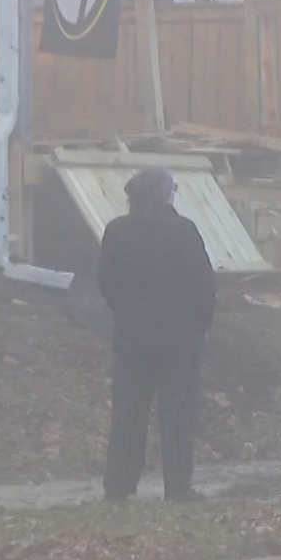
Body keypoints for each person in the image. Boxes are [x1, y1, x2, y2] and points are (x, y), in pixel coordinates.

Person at [97, 167, 217, 502]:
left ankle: (118, 487)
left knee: (128, 417)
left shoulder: (116, 232)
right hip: (179, 342)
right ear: (164, 193)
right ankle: (178, 488)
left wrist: (127, 314)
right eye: (174, 188)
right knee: (177, 417)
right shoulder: (183, 231)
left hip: (132, 341)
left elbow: (107, 284)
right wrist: (200, 325)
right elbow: (204, 287)